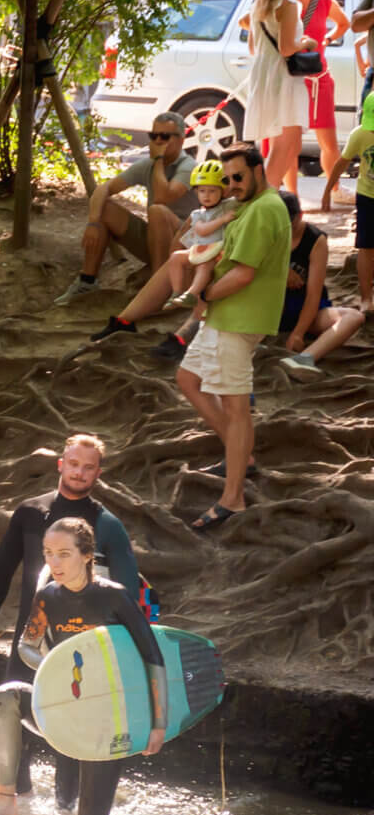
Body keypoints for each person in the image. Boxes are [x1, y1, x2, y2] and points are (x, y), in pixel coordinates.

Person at [0, 435, 140, 811]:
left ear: (98, 472)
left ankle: (66, 808)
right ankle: (17, 798)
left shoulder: (106, 524)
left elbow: (126, 592)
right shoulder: (30, 512)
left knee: (68, 724)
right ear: (61, 464)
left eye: (89, 467)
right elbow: (1, 571)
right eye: (74, 464)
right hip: (30, 636)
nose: (80, 473)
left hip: (79, 644)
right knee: (10, 710)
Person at [0, 518, 167, 815]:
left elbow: (153, 658)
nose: (54, 562)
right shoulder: (47, 597)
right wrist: (54, 665)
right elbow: (26, 645)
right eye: (48, 553)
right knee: (7, 695)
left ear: (87, 555)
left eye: (64, 553)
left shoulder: (114, 597)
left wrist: (158, 724)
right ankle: (5, 798)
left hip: (105, 721)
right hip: (64, 706)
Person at [180, 144, 291, 531]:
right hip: (223, 315)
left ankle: (234, 498)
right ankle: (240, 455)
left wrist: (204, 294)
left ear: (259, 169)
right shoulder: (245, 204)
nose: (232, 185)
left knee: (236, 407)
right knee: (188, 379)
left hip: (239, 319)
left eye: (238, 177)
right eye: (226, 180)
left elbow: (242, 274)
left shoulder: (264, 209)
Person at [53, 112, 197, 305]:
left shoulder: (188, 166)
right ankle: (87, 282)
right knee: (104, 209)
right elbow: (104, 189)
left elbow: (164, 196)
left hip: (185, 244)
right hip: (156, 240)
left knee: (157, 210)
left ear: (181, 139)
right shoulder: (148, 164)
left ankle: (158, 286)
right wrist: (94, 222)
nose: (158, 141)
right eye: (154, 136)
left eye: (165, 136)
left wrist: (157, 162)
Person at [274, 190, 363, 380]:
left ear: (300, 216)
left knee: (354, 317)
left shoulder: (315, 240)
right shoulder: (267, 231)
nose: (284, 230)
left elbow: (313, 294)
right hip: (269, 308)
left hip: (305, 308)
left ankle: (305, 358)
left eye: (290, 223)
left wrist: (298, 333)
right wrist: (281, 271)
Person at [241, 0, 316, 189]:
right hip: (283, 79)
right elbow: (286, 48)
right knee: (284, 148)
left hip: (265, 76)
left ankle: (264, 199)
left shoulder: (258, 4)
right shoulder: (288, 4)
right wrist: (306, 43)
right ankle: (261, 204)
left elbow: (252, 48)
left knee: (289, 145)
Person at [158, 160, 238, 320]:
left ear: (223, 191)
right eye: (202, 191)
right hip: (199, 249)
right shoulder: (197, 214)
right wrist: (223, 220)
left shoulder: (228, 206)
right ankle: (176, 292)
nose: (207, 195)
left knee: (204, 265)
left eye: (212, 191)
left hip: (216, 252)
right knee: (175, 258)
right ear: (196, 192)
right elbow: (201, 229)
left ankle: (192, 293)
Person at [319, 90, 374, 316]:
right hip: (367, 196)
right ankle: (365, 297)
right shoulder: (359, 134)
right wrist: (327, 191)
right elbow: (341, 164)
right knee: (365, 246)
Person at [293, 0, 354, 200]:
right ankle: (290, 196)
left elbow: (344, 23)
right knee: (289, 143)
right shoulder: (285, 2)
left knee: (329, 141)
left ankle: (335, 189)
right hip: (293, 79)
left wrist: (326, 39)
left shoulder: (324, 1)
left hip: (319, 78)